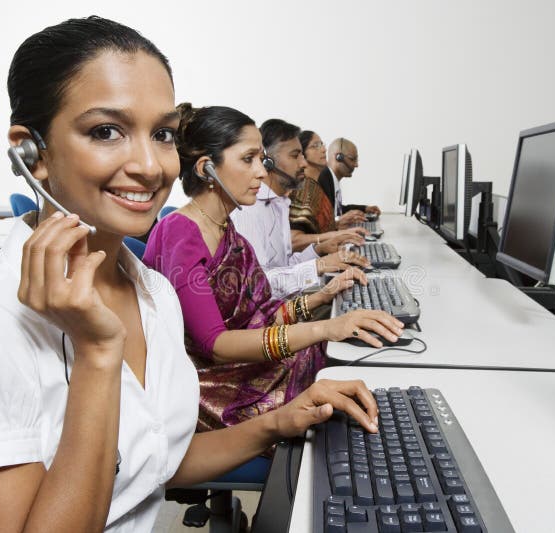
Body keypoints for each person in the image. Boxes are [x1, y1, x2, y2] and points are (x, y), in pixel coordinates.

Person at [0, 17, 381, 532]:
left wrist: (283, 421)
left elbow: (157, 465)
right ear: (31, 154)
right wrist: (98, 355)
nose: (151, 166)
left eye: (163, 134)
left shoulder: (153, 293)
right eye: (106, 131)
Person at [143, 104, 404, 432]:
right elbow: (216, 346)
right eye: (248, 159)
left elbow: (264, 313)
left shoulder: (226, 231)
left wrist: (323, 296)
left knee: (349, 381)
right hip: (210, 390)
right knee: (337, 405)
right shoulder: (181, 234)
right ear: (207, 169)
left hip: (241, 372)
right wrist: (325, 328)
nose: (262, 173)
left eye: (262, 160)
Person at [230, 119, 369, 299]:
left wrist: (319, 250)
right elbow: (258, 284)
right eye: (295, 156)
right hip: (272, 318)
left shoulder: (279, 203)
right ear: (267, 162)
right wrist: (318, 266)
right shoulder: (249, 210)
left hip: (290, 303)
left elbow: (285, 266)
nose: (303, 163)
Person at [319, 137, 381, 219]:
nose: (356, 165)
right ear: (338, 157)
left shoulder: (332, 179)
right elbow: (325, 221)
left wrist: (364, 208)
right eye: (352, 159)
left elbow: (338, 210)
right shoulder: (323, 179)